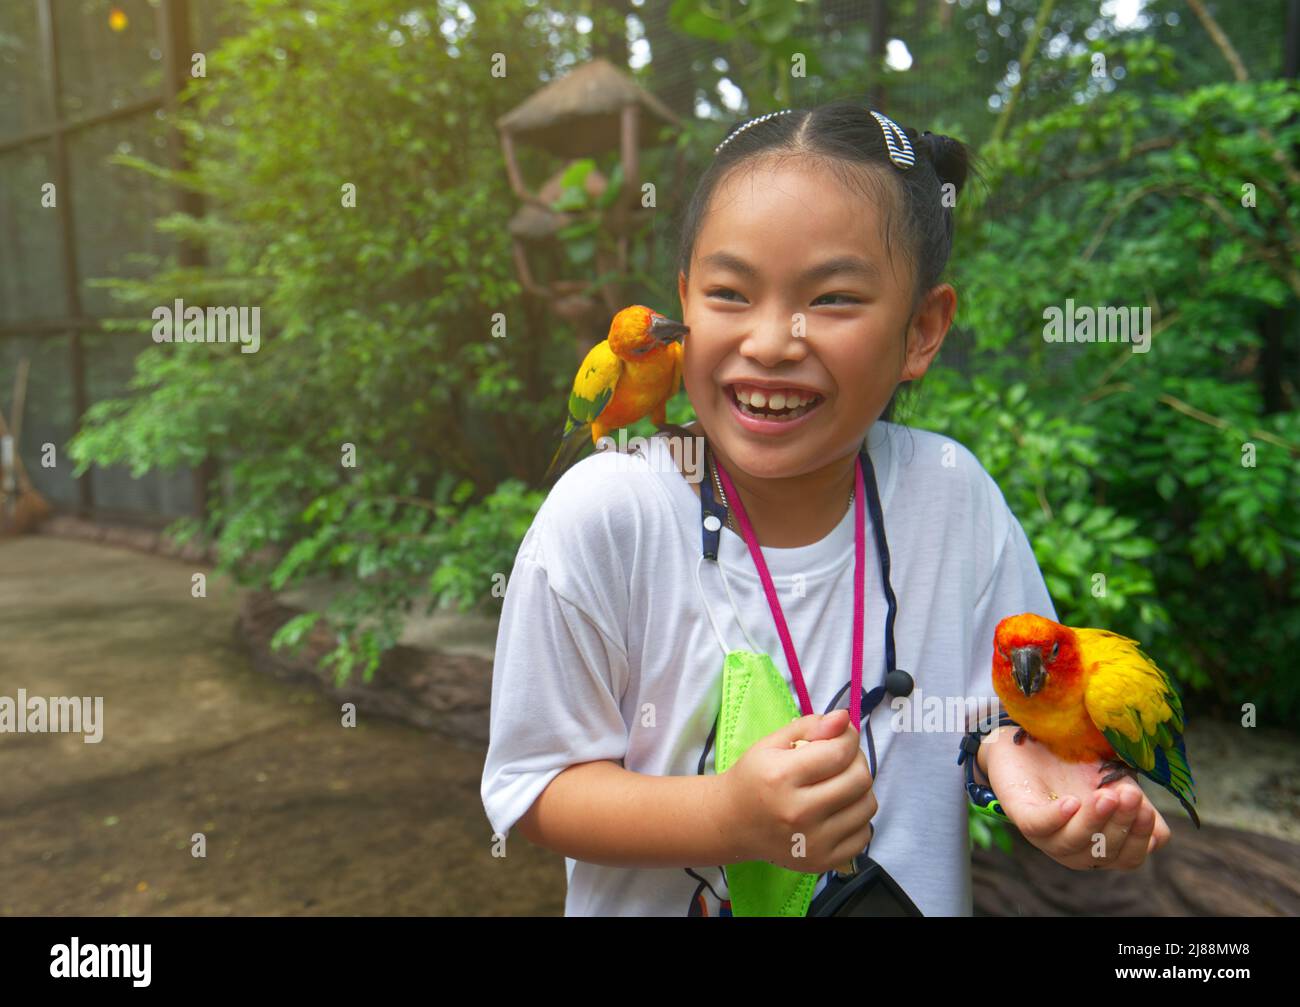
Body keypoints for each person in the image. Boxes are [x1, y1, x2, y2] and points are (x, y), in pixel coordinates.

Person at [480, 99, 1173, 916]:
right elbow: (534, 787)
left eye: (835, 299)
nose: (772, 341)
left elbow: (1000, 712)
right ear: (682, 305)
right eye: (730, 292)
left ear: (922, 329)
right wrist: (726, 816)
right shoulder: (605, 516)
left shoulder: (953, 496)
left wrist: (1020, 761)